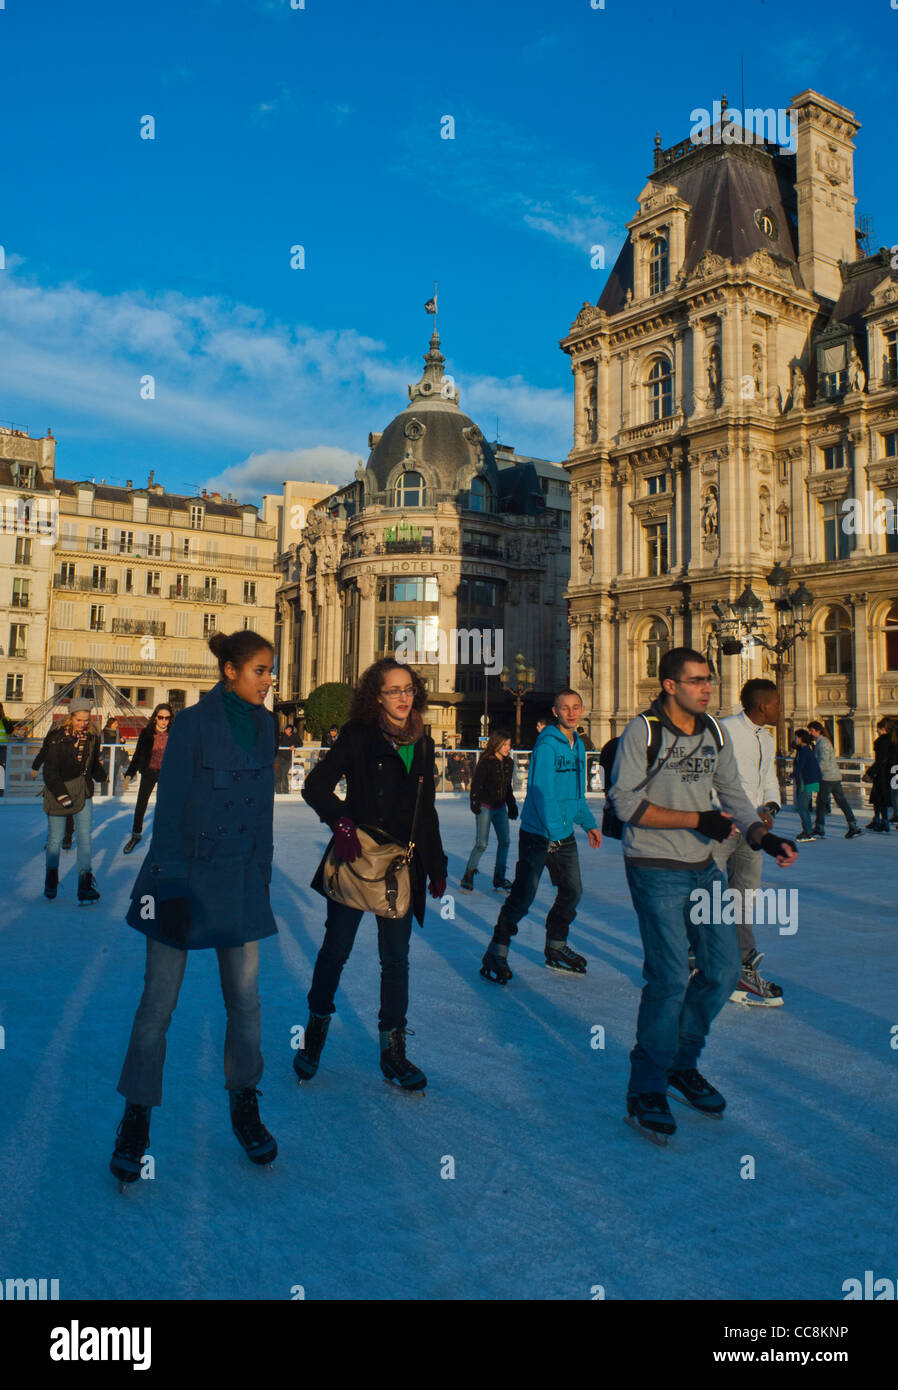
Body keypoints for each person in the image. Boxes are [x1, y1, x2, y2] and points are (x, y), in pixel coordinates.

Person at [608, 648, 797, 1143]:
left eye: (708, 681)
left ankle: (680, 1065)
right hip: (654, 866)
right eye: (695, 681)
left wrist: (764, 835)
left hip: (703, 867)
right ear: (670, 685)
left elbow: (733, 792)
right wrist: (697, 820)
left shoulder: (713, 732)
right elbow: (624, 803)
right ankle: (646, 1086)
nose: (706, 688)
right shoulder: (642, 732)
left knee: (723, 970)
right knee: (669, 977)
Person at [111, 630, 279, 1185]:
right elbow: (173, 806)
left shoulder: (266, 723)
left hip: (239, 879)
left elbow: (261, 815)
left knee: (246, 1003)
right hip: (184, 876)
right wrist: (173, 886)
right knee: (156, 1006)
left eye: (269, 670)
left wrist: (262, 878)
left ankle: (244, 1100)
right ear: (230, 670)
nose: (268, 679)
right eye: (260, 670)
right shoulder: (190, 724)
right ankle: (137, 1114)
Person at [296, 658, 447, 1090]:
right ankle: (315, 1034)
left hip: (401, 866)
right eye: (392, 691)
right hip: (358, 861)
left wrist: (435, 867)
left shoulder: (422, 741)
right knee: (335, 950)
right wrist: (342, 824)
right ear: (376, 697)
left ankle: (393, 1051)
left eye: (408, 689)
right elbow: (316, 785)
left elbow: (426, 811)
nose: (402, 698)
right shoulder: (359, 735)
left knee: (396, 960)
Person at [480, 688, 601, 984]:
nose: (571, 712)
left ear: (582, 710)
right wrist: (551, 832)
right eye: (565, 708)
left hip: (564, 834)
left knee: (572, 891)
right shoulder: (547, 746)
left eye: (576, 707)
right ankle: (497, 950)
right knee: (523, 896)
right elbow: (542, 792)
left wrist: (588, 823)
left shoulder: (579, 747)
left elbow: (576, 793)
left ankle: (556, 945)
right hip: (538, 835)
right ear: (556, 711)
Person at [715, 680, 787, 1007]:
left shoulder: (768, 738)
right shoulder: (726, 730)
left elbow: (767, 778)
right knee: (709, 895)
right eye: (776, 704)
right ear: (762, 706)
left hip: (753, 829)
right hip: (721, 826)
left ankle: (741, 964)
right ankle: (700, 957)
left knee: (744, 897)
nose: (780, 709)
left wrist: (769, 807)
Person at [41, 699, 108, 903]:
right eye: (79, 720)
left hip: (83, 792)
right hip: (58, 792)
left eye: (86, 720)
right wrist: (62, 795)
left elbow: (92, 763)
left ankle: (84, 885)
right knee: (56, 839)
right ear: (70, 717)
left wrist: (101, 775)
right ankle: (51, 879)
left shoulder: (93, 736)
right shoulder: (56, 738)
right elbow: (50, 771)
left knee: (85, 838)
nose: (83, 723)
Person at [460, 731, 518, 893]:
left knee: (505, 842)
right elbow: (477, 784)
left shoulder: (509, 763)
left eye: (509, 744)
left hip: (500, 808)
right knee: (482, 843)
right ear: (496, 744)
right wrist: (474, 802)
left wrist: (511, 804)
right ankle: (468, 875)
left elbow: (507, 787)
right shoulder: (486, 762)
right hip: (485, 806)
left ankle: (499, 878)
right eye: (505, 744)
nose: (508, 748)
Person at [122, 704, 174, 854]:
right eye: (161, 717)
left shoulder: (174, 733)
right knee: (141, 804)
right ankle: (136, 835)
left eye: (167, 718)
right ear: (155, 717)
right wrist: (129, 774)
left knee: (166, 805)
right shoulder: (146, 733)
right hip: (149, 771)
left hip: (167, 773)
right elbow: (138, 755)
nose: (163, 721)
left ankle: (164, 837)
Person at [807, 721, 862, 839]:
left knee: (821, 802)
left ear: (818, 731)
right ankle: (853, 825)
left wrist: (815, 772)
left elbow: (824, 761)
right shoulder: (820, 742)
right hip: (832, 776)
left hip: (827, 777)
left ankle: (820, 827)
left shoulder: (823, 743)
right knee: (840, 801)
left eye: (811, 731)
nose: (810, 733)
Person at [32, 722, 75, 849]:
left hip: (68, 778)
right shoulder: (52, 737)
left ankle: (67, 835)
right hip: (53, 778)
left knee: (68, 808)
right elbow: (44, 752)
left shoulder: (75, 738)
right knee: (53, 808)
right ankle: (54, 836)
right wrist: (35, 766)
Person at [867, 718, 898, 832]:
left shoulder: (882, 742)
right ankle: (880, 819)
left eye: (878, 729)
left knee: (878, 797)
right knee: (882, 797)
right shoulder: (893, 741)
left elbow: (881, 760)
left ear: (883, 729)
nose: (877, 732)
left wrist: (870, 772)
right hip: (890, 773)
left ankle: (881, 820)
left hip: (882, 773)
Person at [792, 729, 821, 842]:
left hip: (807, 781)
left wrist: (792, 775)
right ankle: (807, 830)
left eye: (796, 737)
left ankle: (808, 831)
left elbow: (800, 765)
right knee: (803, 806)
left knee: (801, 807)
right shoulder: (804, 749)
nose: (795, 740)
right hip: (810, 780)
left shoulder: (805, 750)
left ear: (801, 738)